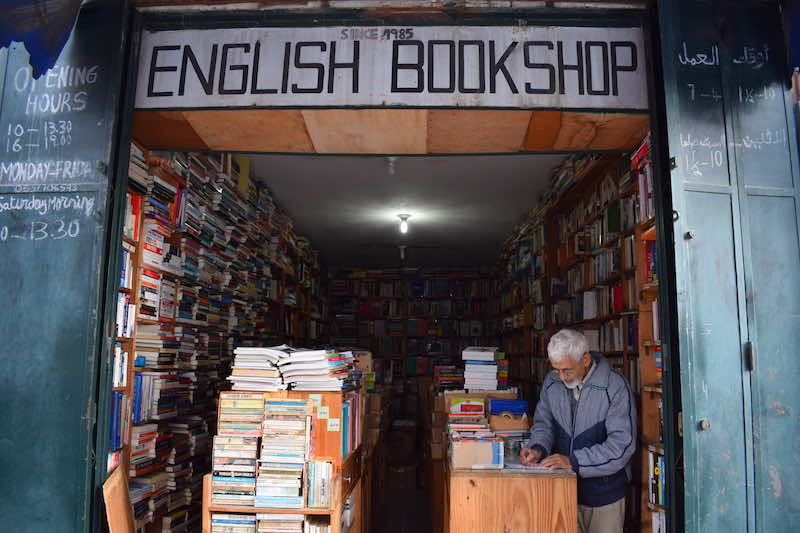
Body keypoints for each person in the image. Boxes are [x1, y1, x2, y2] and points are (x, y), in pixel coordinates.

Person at [520, 329, 636, 533]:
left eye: (567, 370)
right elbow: (543, 423)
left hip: (603, 495)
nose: (561, 377)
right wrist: (537, 447)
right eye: (556, 370)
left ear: (585, 359)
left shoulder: (615, 387)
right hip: (560, 492)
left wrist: (574, 461)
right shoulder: (551, 382)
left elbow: (621, 446)